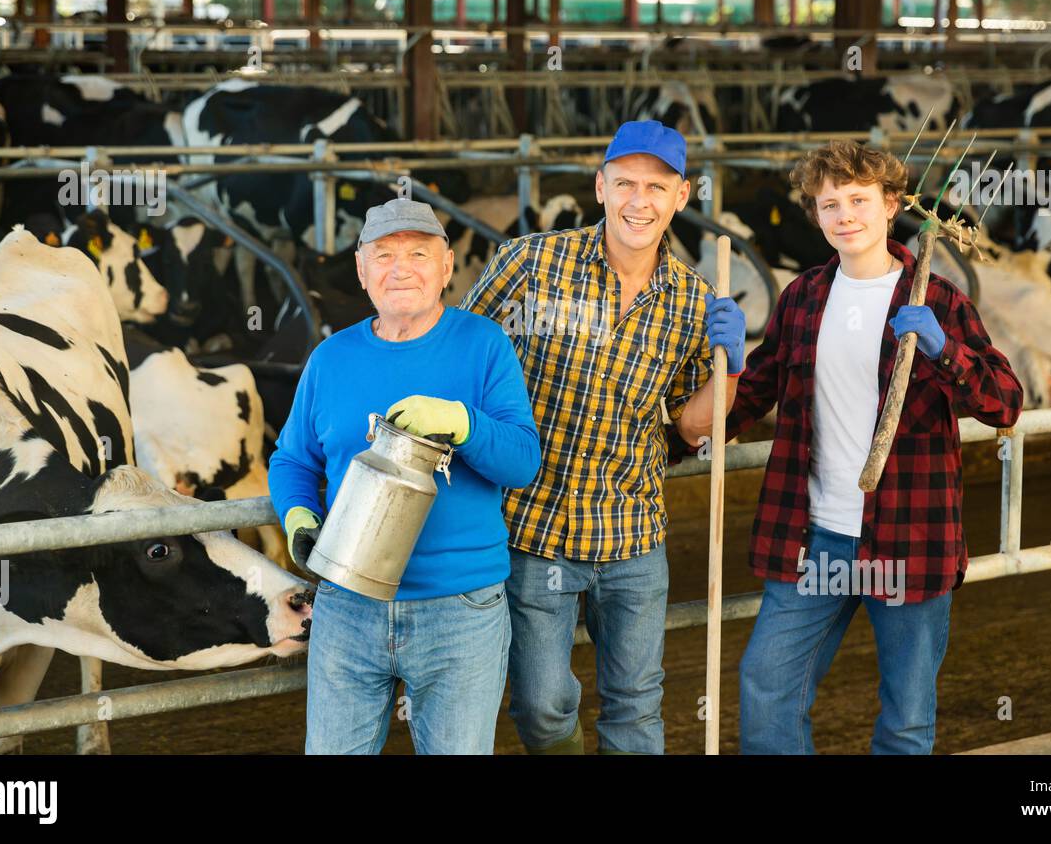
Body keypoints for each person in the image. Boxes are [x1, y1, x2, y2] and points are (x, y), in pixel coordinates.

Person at [683, 139, 1024, 754]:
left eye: (860, 200)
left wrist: (947, 351)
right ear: (815, 215)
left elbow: (1005, 401)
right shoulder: (803, 297)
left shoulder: (938, 298)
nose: (845, 216)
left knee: (906, 715)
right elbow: (748, 398)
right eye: (829, 203)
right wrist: (724, 369)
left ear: (892, 204)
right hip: (816, 537)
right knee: (767, 685)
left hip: (910, 535)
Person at [461, 120, 747, 754]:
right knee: (540, 704)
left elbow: (696, 425)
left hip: (632, 533)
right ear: (600, 187)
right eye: (624, 183)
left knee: (637, 707)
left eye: (656, 187)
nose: (637, 202)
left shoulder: (694, 302)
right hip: (534, 529)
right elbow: (461, 350)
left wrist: (733, 363)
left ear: (681, 197)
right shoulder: (532, 263)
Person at [269, 198, 541, 755]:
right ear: (362, 270)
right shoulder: (330, 357)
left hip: (460, 607)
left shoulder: (485, 346)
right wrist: (299, 517)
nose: (402, 268)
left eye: (420, 253)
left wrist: (463, 423)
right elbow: (292, 459)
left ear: (446, 268)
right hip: (346, 605)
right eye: (385, 255)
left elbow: (521, 461)